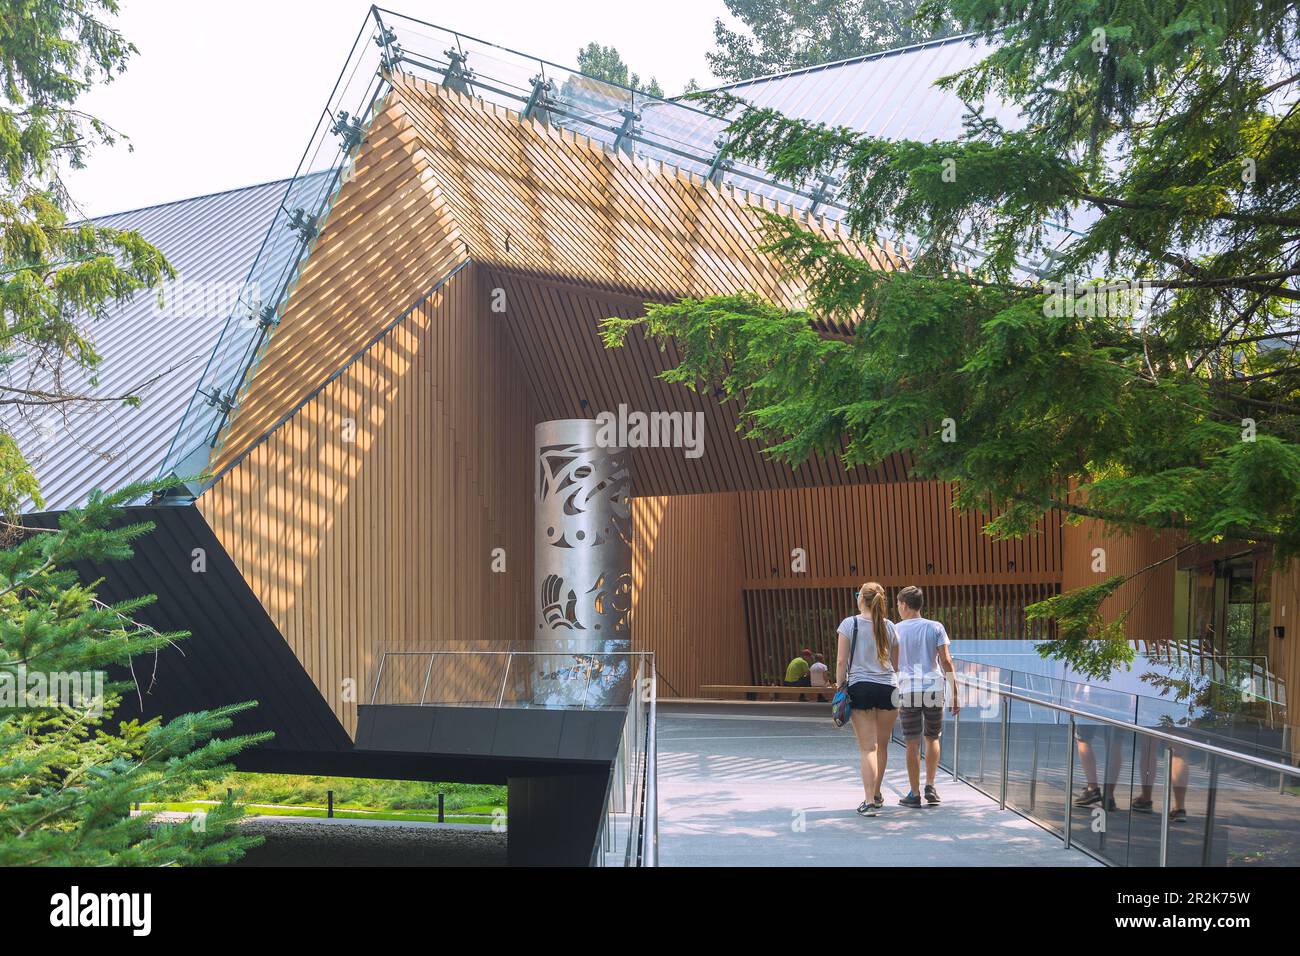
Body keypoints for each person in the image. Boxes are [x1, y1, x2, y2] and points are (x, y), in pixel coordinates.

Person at [836, 582, 899, 817]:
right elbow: (896, 663)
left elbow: (842, 661)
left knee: (867, 748)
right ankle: (878, 793)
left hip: (860, 687)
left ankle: (869, 801)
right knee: (881, 746)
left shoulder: (849, 624)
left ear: (861, 598)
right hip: (889, 688)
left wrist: (840, 684)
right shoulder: (891, 627)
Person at [893, 585, 958, 808]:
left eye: (898, 604)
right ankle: (931, 785)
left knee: (912, 743)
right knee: (933, 737)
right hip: (933, 688)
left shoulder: (895, 630)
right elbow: (946, 661)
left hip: (908, 690)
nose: (898, 608)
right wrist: (955, 694)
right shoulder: (935, 627)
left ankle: (914, 793)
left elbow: (891, 664)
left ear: (904, 604)